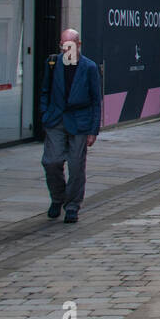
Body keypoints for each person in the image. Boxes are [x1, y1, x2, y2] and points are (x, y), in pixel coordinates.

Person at [40, 28, 101, 224]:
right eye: (63, 46)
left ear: (79, 44)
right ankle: (57, 198)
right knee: (51, 162)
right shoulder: (52, 63)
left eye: (70, 45)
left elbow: (96, 101)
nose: (66, 50)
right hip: (56, 119)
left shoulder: (89, 67)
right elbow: (45, 91)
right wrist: (44, 114)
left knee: (76, 166)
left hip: (80, 121)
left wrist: (93, 130)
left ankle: (72, 206)